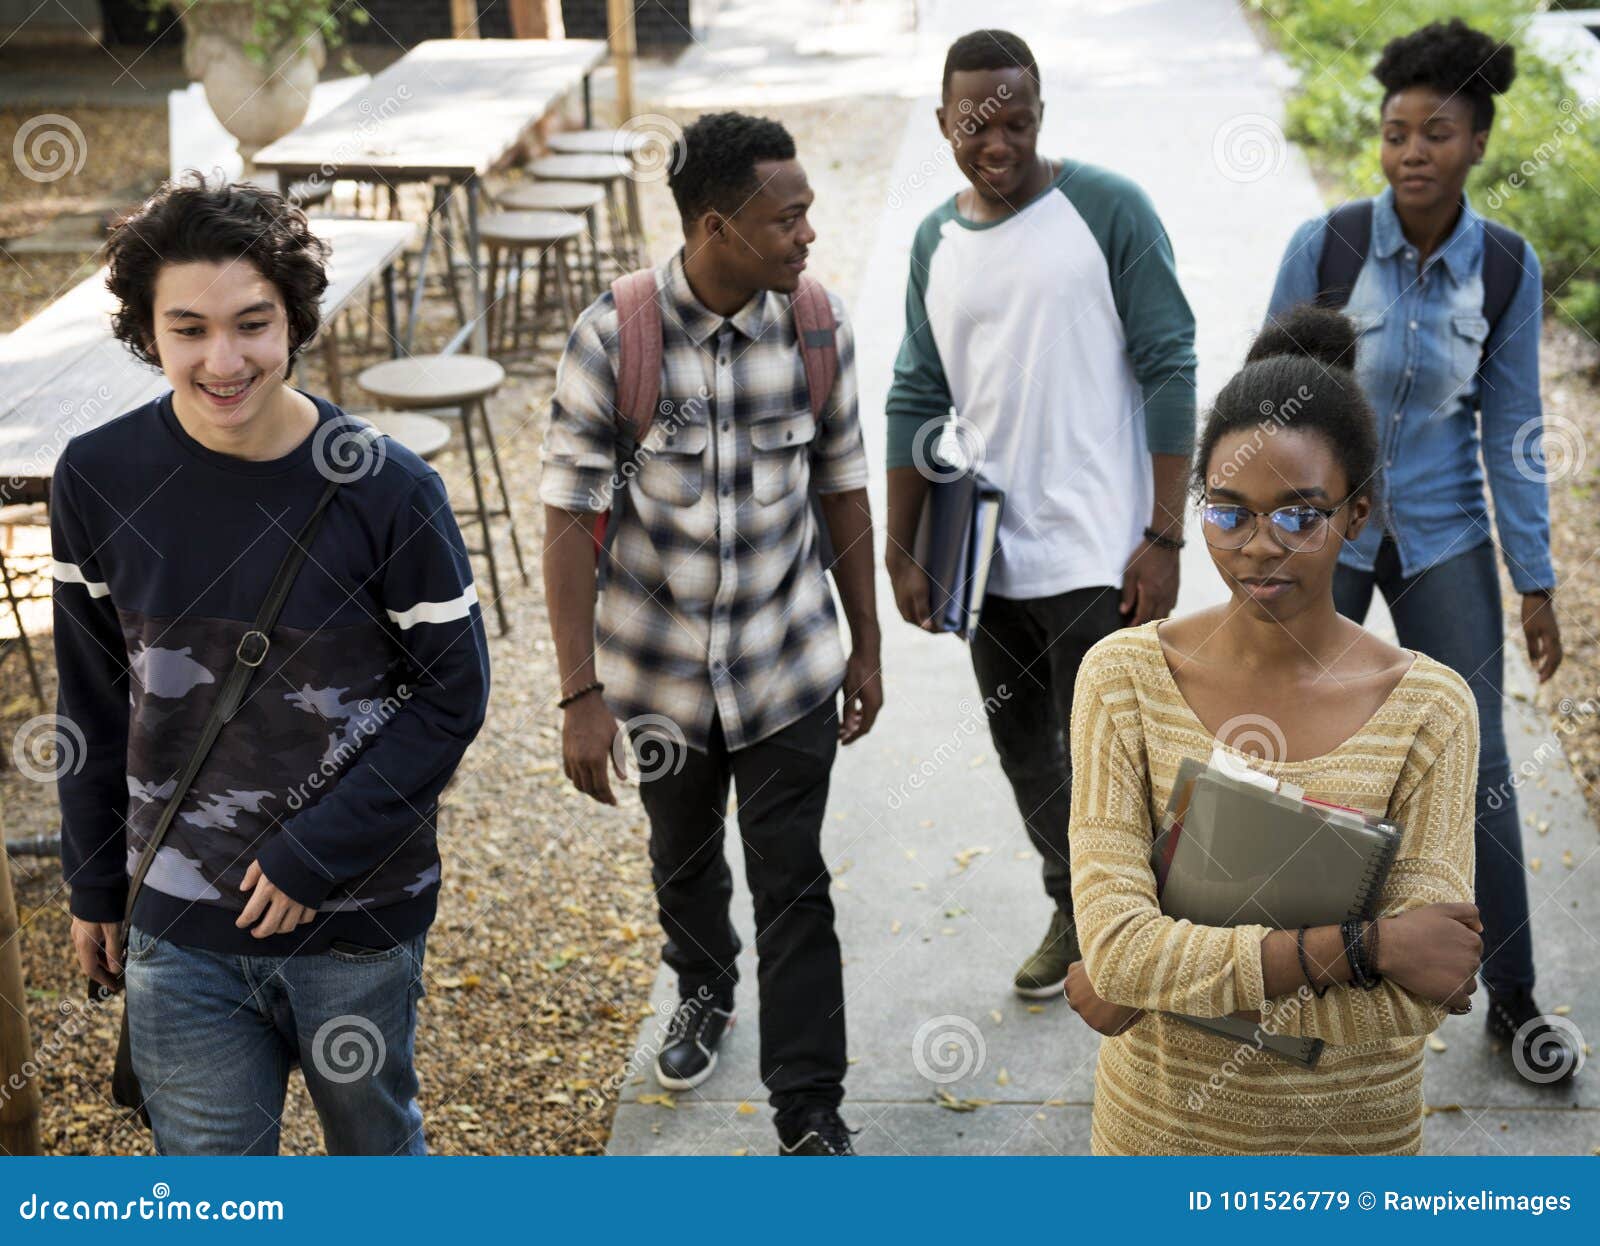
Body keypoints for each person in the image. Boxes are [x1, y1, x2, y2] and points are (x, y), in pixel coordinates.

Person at [55, 175, 491, 1155]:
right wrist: (92, 879)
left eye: (253, 323)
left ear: (294, 319)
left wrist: (313, 850)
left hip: (355, 921)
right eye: (188, 329)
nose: (223, 359)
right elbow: (89, 696)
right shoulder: (95, 476)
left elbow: (452, 691)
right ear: (146, 332)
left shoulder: (390, 488)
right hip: (178, 917)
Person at [538, 112, 881, 1156]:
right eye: (788, 218)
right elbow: (567, 519)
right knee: (682, 861)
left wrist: (866, 648)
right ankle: (702, 986)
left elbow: (844, 493)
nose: (808, 234)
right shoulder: (616, 336)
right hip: (660, 681)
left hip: (786, 669)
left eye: (810, 212)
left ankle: (808, 1110)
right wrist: (578, 694)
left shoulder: (815, 327)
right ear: (717, 226)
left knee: (795, 883)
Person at [1064, 306, 1483, 1155]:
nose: (1259, 547)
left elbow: (1416, 999)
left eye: (1299, 516)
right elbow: (1116, 953)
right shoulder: (1124, 679)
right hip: (1158, 1139)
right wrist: (1369, 944)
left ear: (1357, 515)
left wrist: (1164, 975)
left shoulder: (1431, 710)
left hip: (1353, 1151)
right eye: (1228, 513)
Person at [1265, 19, 1575, 1082]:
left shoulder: (1502, 266)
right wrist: (1275, 539)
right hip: (1330, 539)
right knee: (1310, 758)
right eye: (1394, 132)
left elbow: (1515, 425)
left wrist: (1532, 578)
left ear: (1477, 142)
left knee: (1477, 757)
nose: (1408, 152)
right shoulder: (1329, 248)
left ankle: (1516, 996)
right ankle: (1303, 981)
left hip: (1445, 532)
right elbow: (1274, 400)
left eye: (1433, 133)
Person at [884, 29, 1197, 999]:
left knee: (1112, 767)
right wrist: (903, 549)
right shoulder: (936, 240)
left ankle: (1143, 936)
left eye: (1016, 121)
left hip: (1099, 555)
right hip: (986, 563)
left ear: (1039, 116)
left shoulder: (1107, 209)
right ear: (944, 121)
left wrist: (1163, 531)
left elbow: (1169, 364)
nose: (997, 142)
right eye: (976, 123)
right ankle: (1075, 906)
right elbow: (913, 394)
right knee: (1024, 754)